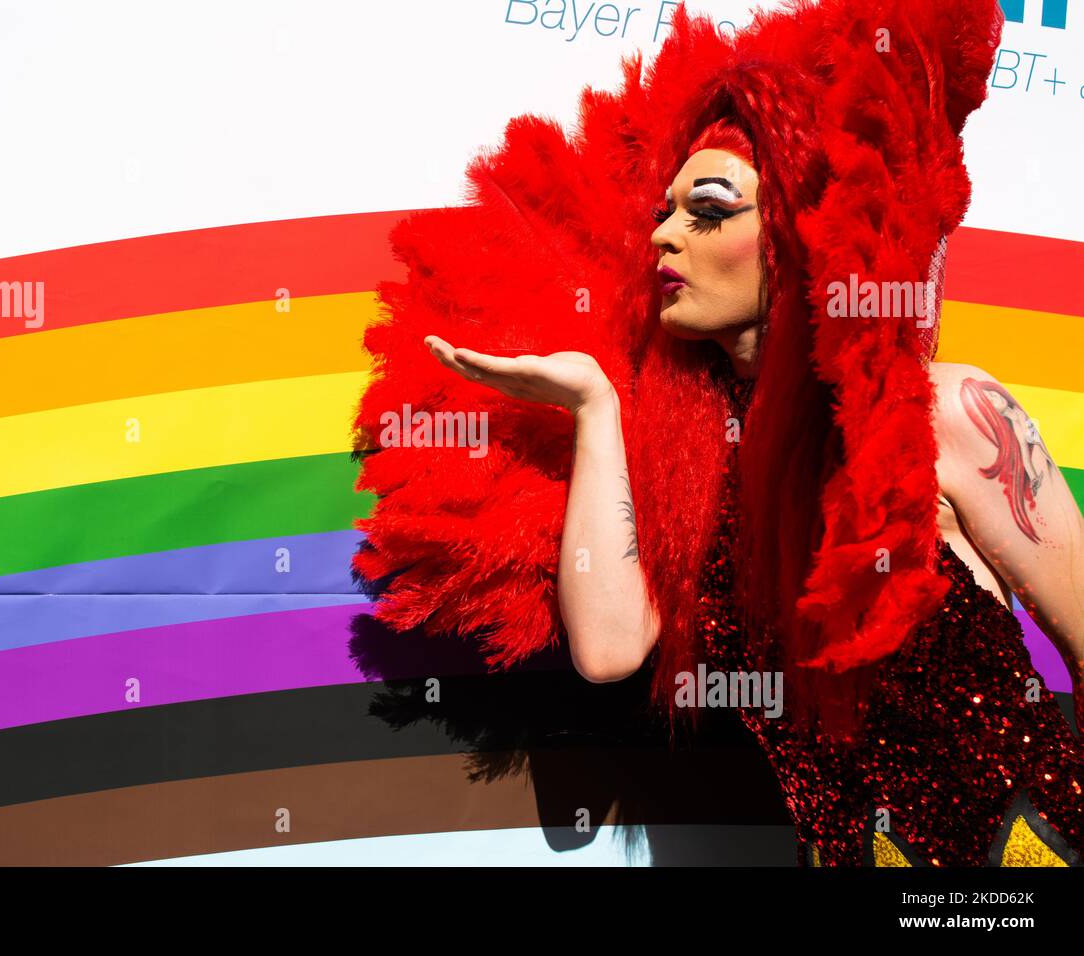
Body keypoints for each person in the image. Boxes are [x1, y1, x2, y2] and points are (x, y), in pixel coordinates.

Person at [352, 0, 1084, 865]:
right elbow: (612, 649)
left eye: (706, 210)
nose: (664, 235)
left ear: (797, 232)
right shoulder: (690, 477)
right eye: (664, 213)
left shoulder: (947, 415)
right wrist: (594, 410)